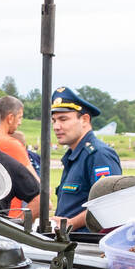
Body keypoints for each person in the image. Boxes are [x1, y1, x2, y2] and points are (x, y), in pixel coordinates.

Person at [50, 86, 121, 230]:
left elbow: (108, 205)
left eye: (63, 119)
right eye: (54, 120)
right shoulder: (74, 156)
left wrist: (71, 223)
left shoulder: (98, 155)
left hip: (88, 246)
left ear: (84, 119)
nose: (56, 126)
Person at [0, 95, 35, 218]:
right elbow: (39, 192)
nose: (20, 123)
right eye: (20, 117)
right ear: (10, 118)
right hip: (10, 216)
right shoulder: (12, 145)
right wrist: (19, 222)